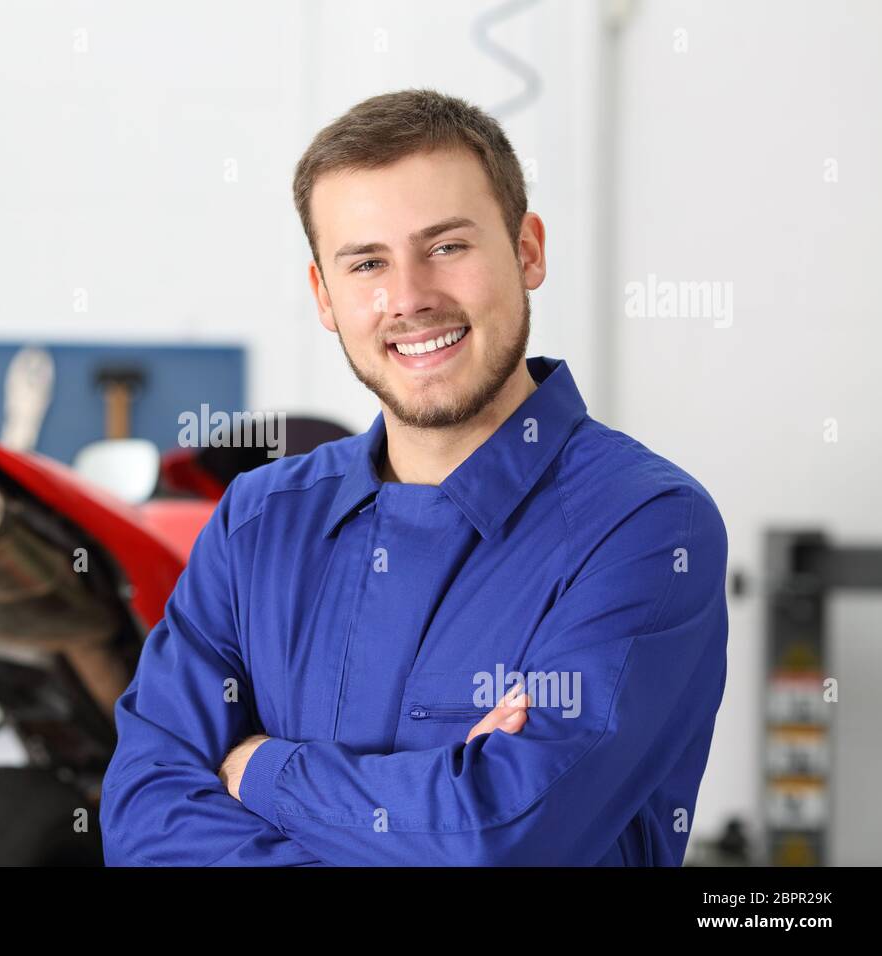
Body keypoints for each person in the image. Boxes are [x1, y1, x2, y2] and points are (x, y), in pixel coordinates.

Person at [99, 88, 728, 866]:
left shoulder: (647, 526)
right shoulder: (257, 522)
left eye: (448, 247)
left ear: (528, 250)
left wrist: (258, 766)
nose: (410, 298)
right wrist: (434, 804)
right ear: (325, 296)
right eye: (367, 263)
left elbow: (502, 836)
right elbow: (143, 819)